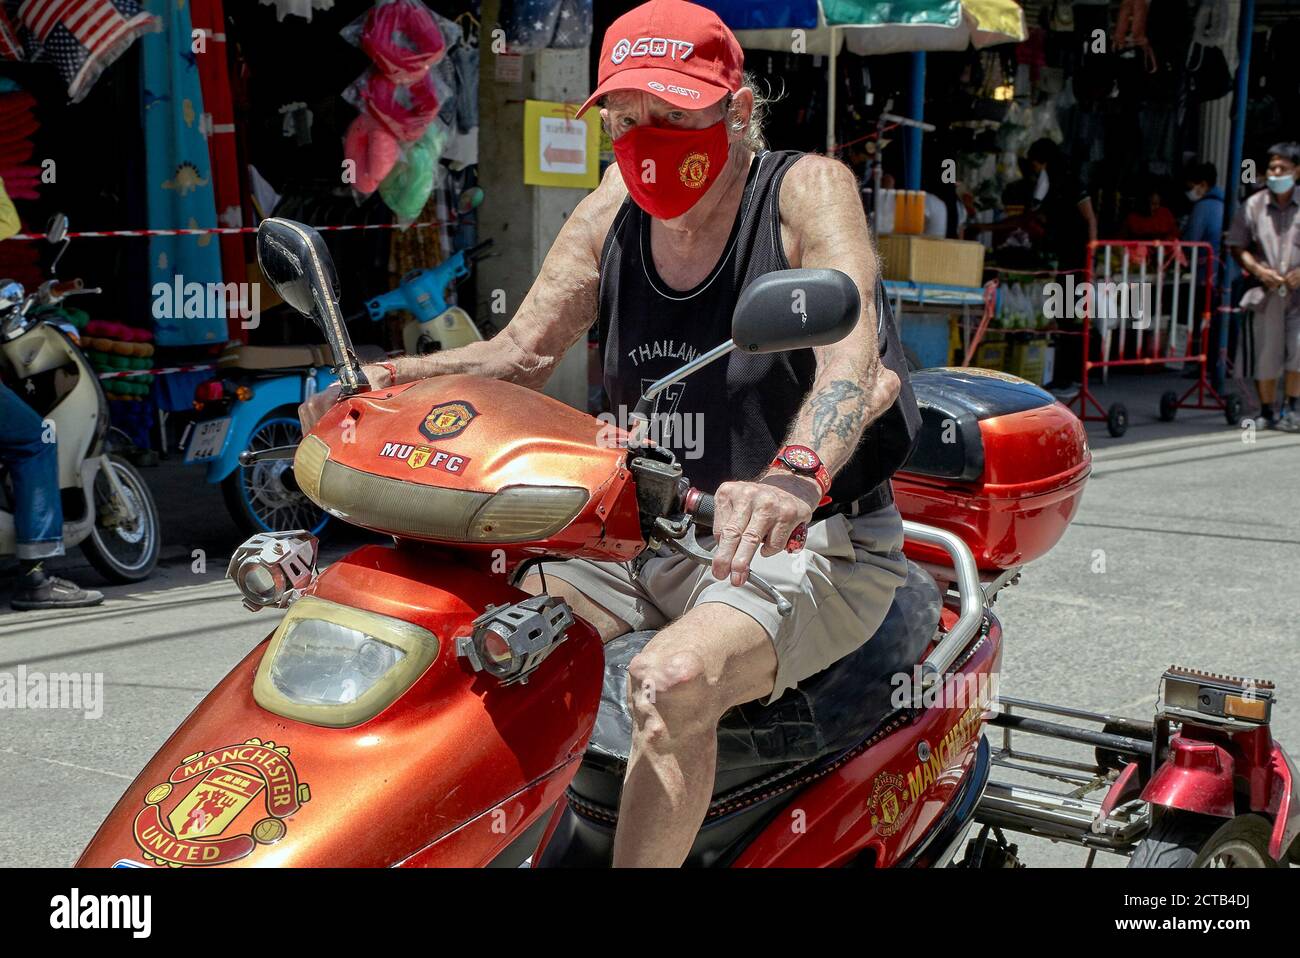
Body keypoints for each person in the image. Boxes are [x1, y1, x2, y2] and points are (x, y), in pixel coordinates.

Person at [300, 0, 918, 867]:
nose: (647, 136)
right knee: (461, 636)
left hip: (804, 544)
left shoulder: (805, 189)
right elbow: (518, 355)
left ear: (736, 109)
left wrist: (793, 474)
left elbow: (856, 366)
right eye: (627, 118)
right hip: (647, 531)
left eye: (673, 113)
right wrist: (384, 384)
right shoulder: (615, 205)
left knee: (667, 683)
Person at [1226, 142, 1300, 431]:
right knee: (1265, 351)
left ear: (1297, 171)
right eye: (1272, 168)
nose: (1276, 172)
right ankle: (1267, 410)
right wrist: (1257, 269)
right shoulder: (1253, 205)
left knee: (1297, 349)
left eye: (1283, 168)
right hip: (1265, 292)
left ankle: (1292, 408)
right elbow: (1236, 245)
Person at [1182, 160, 1225, 256]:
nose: (1189, 192)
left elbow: (1189, 243)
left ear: (1203, 185)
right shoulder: (1229, 202)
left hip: (1206, 265)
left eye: (1191, 188)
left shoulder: (1202, 207)